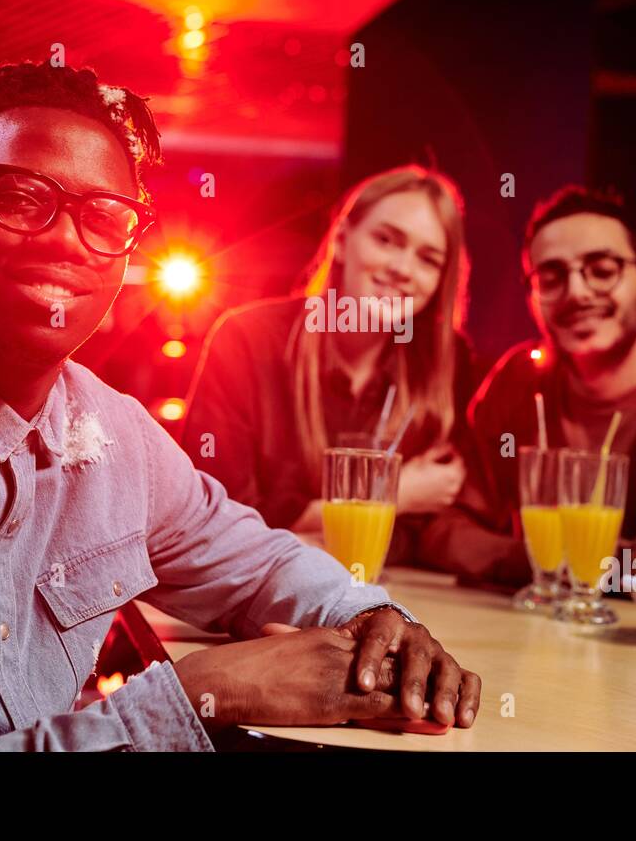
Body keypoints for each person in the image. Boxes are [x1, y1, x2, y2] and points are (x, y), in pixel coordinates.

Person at [0, 61, 481, 751]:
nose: (69, 240)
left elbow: (253, 562)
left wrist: (375, 618)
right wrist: (201, 692)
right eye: (22, 197)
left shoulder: (115, 433)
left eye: (106, 218)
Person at [418, 185, 636, 584]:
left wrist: (534, 563)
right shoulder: (518, 381)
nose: (577, 293)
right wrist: (559, 564)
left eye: (602, 271)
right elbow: (444, 531)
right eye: (551, 277)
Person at [181, 165, 482, 566]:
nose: (403, 269)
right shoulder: (247, 339)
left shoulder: (445, 363)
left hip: (394, 602)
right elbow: (216, 516)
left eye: (428, 260)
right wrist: (393, 495)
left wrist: (311, 520)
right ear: (342, 238)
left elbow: (434, 526)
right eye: (386, 240)